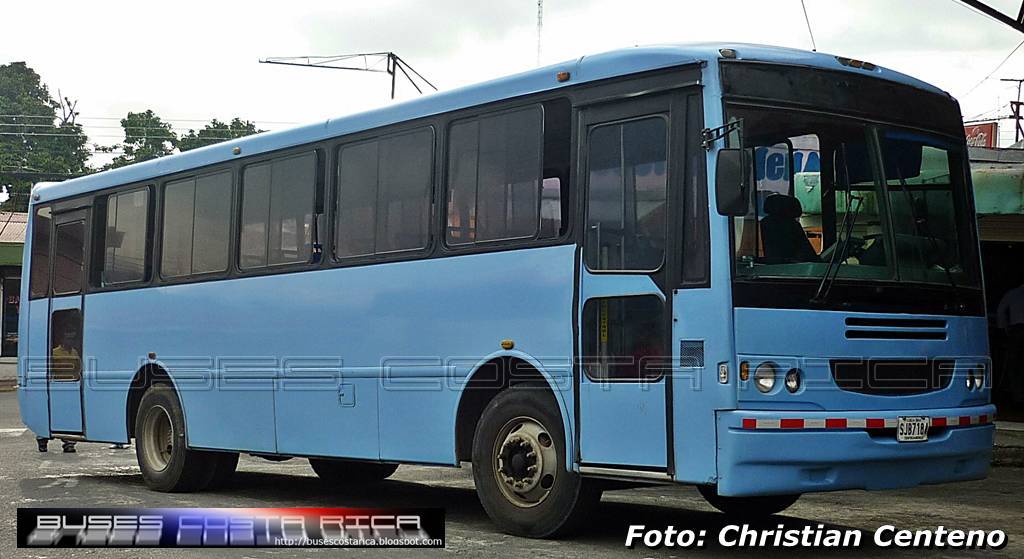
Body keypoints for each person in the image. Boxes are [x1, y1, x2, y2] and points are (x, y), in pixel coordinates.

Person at [996, 284, 1024, 405]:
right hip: (1016, 330)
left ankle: (1017, 396)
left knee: (1014, 364)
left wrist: (1004, 328)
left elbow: (1000, 310)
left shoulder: (1012, 293)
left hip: (1016, 330)